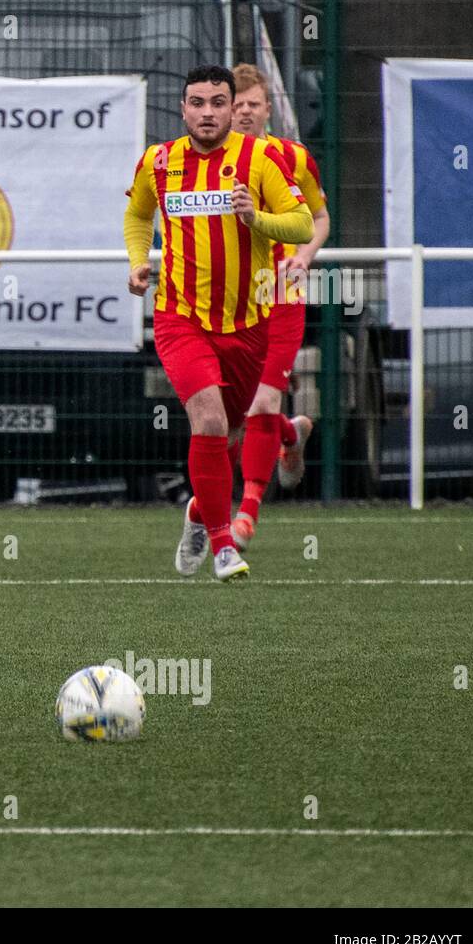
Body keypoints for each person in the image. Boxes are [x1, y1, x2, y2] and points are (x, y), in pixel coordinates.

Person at [123, 65, 313, 582]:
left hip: (249, 322)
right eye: (197, 102)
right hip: (180, 317)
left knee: (231, 431)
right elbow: (139, 215)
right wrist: (138, 260)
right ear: (182, 108)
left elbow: (301, 223)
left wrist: (258, 220)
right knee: (207, 420)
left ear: (234, 109)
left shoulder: (261, 159)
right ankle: (226, 544)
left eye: (218, 103)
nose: (207, 112)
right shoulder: (158, 162)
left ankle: (198, 513)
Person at [228, 63, 330, 549]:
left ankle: (246, 513)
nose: (245, 113)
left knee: (262, 403)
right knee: (230, 419)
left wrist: (305, 257)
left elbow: (320, 217)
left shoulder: (292, 157)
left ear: (269, 108)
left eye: (254, 104)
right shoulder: (208, 164)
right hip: (229, 300)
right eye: (238, 105)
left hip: (280, 294)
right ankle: (290, 435)